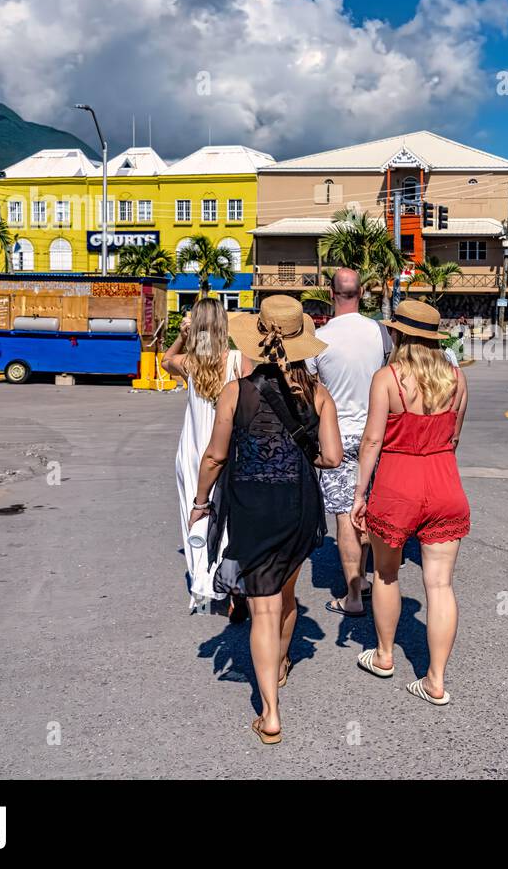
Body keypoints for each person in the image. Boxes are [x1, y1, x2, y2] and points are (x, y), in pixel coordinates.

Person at [190, 296, 343, 745]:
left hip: (252, 506)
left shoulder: (236, 391)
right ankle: (279, 665)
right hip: (298, 506)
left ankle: (270, 713)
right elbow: (332, 457)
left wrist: (201, 501)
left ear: (258, 339)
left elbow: (216, 456)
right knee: (287, 593)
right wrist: (302, 451)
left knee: (263, 606)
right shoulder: (318, 393)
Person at [350, 299, 469, 706]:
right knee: (440, 584)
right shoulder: (456, 378)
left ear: (398, 334)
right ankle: (435, 679)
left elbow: (371, 441)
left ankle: (384, 655)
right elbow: (454, 438)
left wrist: (359, 495)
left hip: (397, 483)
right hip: (444, 481)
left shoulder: (387, 378)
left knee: (385, 573)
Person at [161, 297, 253, 613]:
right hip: (230, 447)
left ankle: (203, 583)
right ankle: (234, 584)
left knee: (197, 518)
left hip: (193, 450)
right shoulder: (239, 361)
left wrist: (183, 337)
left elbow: (164, 360)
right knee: (232, 519)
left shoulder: (189, 362)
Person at [307, 268, 390, 618]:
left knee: (345, 513)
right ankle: (373, 578)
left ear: (331, 292)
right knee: (369, 506)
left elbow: (312, 390)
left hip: (335, 437)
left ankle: (354, 594)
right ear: (361, 293)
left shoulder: (319, 338)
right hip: (376, 434)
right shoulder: (379, 333)